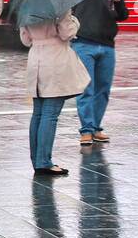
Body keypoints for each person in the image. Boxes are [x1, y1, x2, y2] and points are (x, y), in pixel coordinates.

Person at [22, 11, 90, 176]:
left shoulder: (26, 6)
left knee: (38, 113)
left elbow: (25, 40)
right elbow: (67, 33)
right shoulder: (58, 6)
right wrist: (74, 19)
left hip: (35, 59)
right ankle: (44, 161)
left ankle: (37, 160)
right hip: (55, 59)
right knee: (50, 114)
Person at [73, 0, 129, 146]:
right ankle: (86, 129)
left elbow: (122, 16)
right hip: (83, 43)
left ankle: (96, 127)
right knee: (86, 89)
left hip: (107, 45)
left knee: (103, 89)